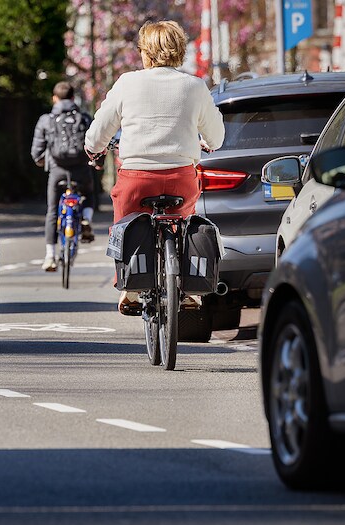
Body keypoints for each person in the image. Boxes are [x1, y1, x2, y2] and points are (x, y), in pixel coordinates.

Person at [84, 20, 224, 314]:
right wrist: (206, 142)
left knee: (125, 222)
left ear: (145, 52)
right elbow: (217, 136)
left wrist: (94, 148)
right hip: (181, 177)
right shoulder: (194, 86)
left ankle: (131, 288)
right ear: (180, 51)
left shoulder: (128, 83)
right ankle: (189, 289)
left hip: (137, 178)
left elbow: (99, 131)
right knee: (185, 219)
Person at [30, 81, 98, 272]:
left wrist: (42, 161)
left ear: (55, 98)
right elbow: (94, 143)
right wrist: (96, 161)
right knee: (89, 194)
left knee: (52, 211)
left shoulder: (46, 119)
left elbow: (37, 152)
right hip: (81, 170)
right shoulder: (84, 118)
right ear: (73, 98)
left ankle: (50, 256)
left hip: (57, 170)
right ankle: (86, 218)